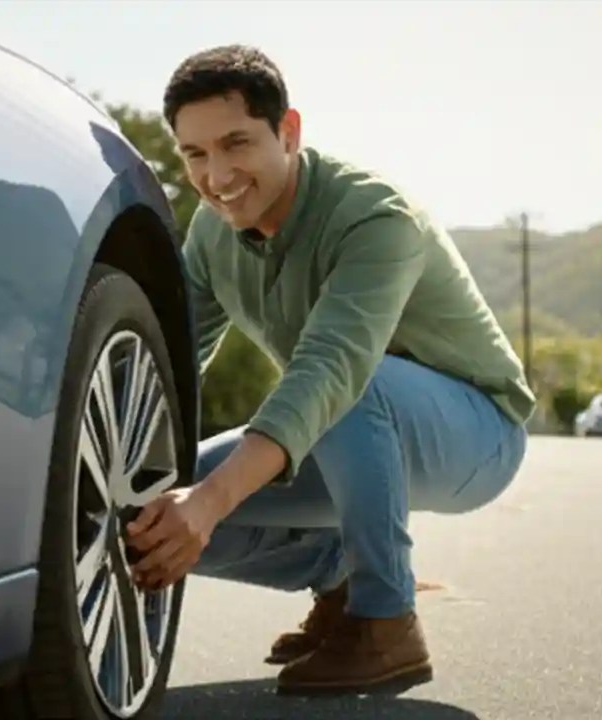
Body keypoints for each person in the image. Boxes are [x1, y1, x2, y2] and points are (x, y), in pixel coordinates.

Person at [124, 44, 537, 696]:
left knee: (346, 386)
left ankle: (386, 621)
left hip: (475, 434)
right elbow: (175, 366)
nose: (217, 173)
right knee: (148, 511)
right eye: (195, 154)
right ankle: (338, 578)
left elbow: (330, 370)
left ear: (288, 132)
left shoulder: (375, 217)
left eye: (236, 144)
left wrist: (210, 504)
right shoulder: (210, 233)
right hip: (341, 427)